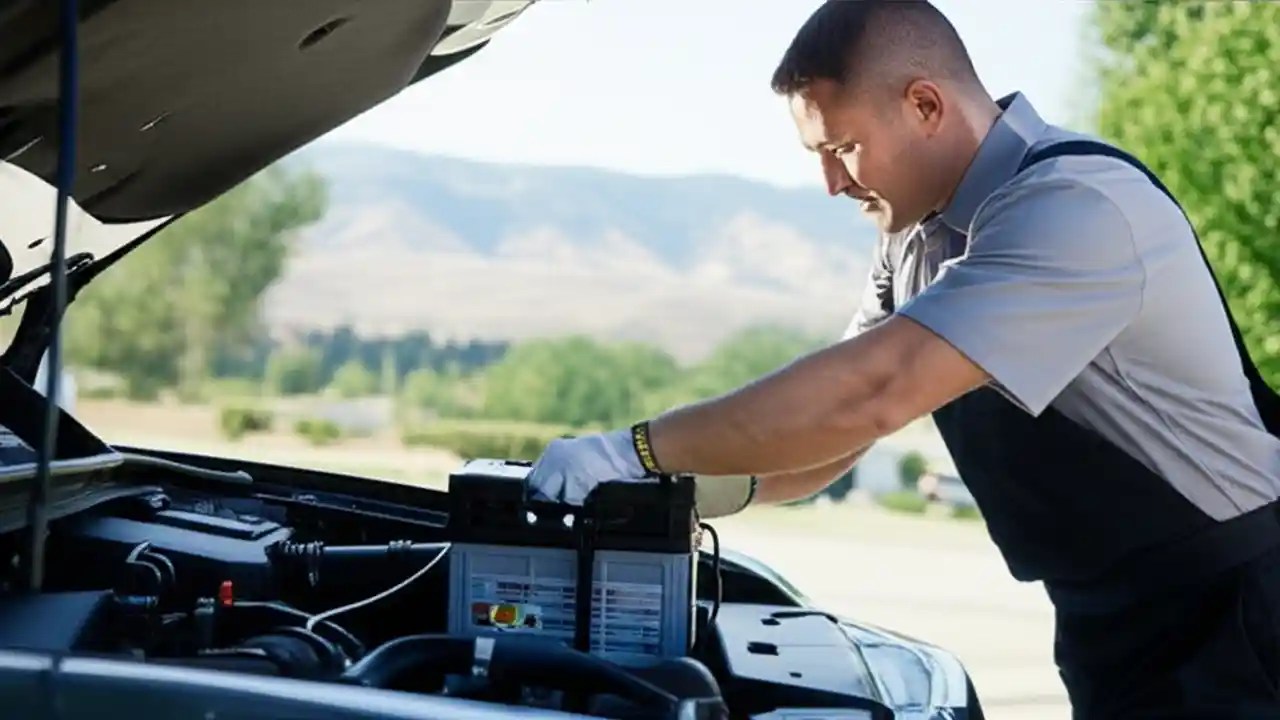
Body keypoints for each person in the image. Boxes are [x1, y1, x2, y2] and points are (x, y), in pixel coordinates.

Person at [525, 1, 1280, 717]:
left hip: (1238, 610)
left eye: (843, 148)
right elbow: (833, 438)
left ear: (925, 105)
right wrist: (667, 493)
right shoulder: (919, 240)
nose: (830, 183)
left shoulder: (1074, 208)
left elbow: (869, 394)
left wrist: (634, 449)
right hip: (1115, 618)